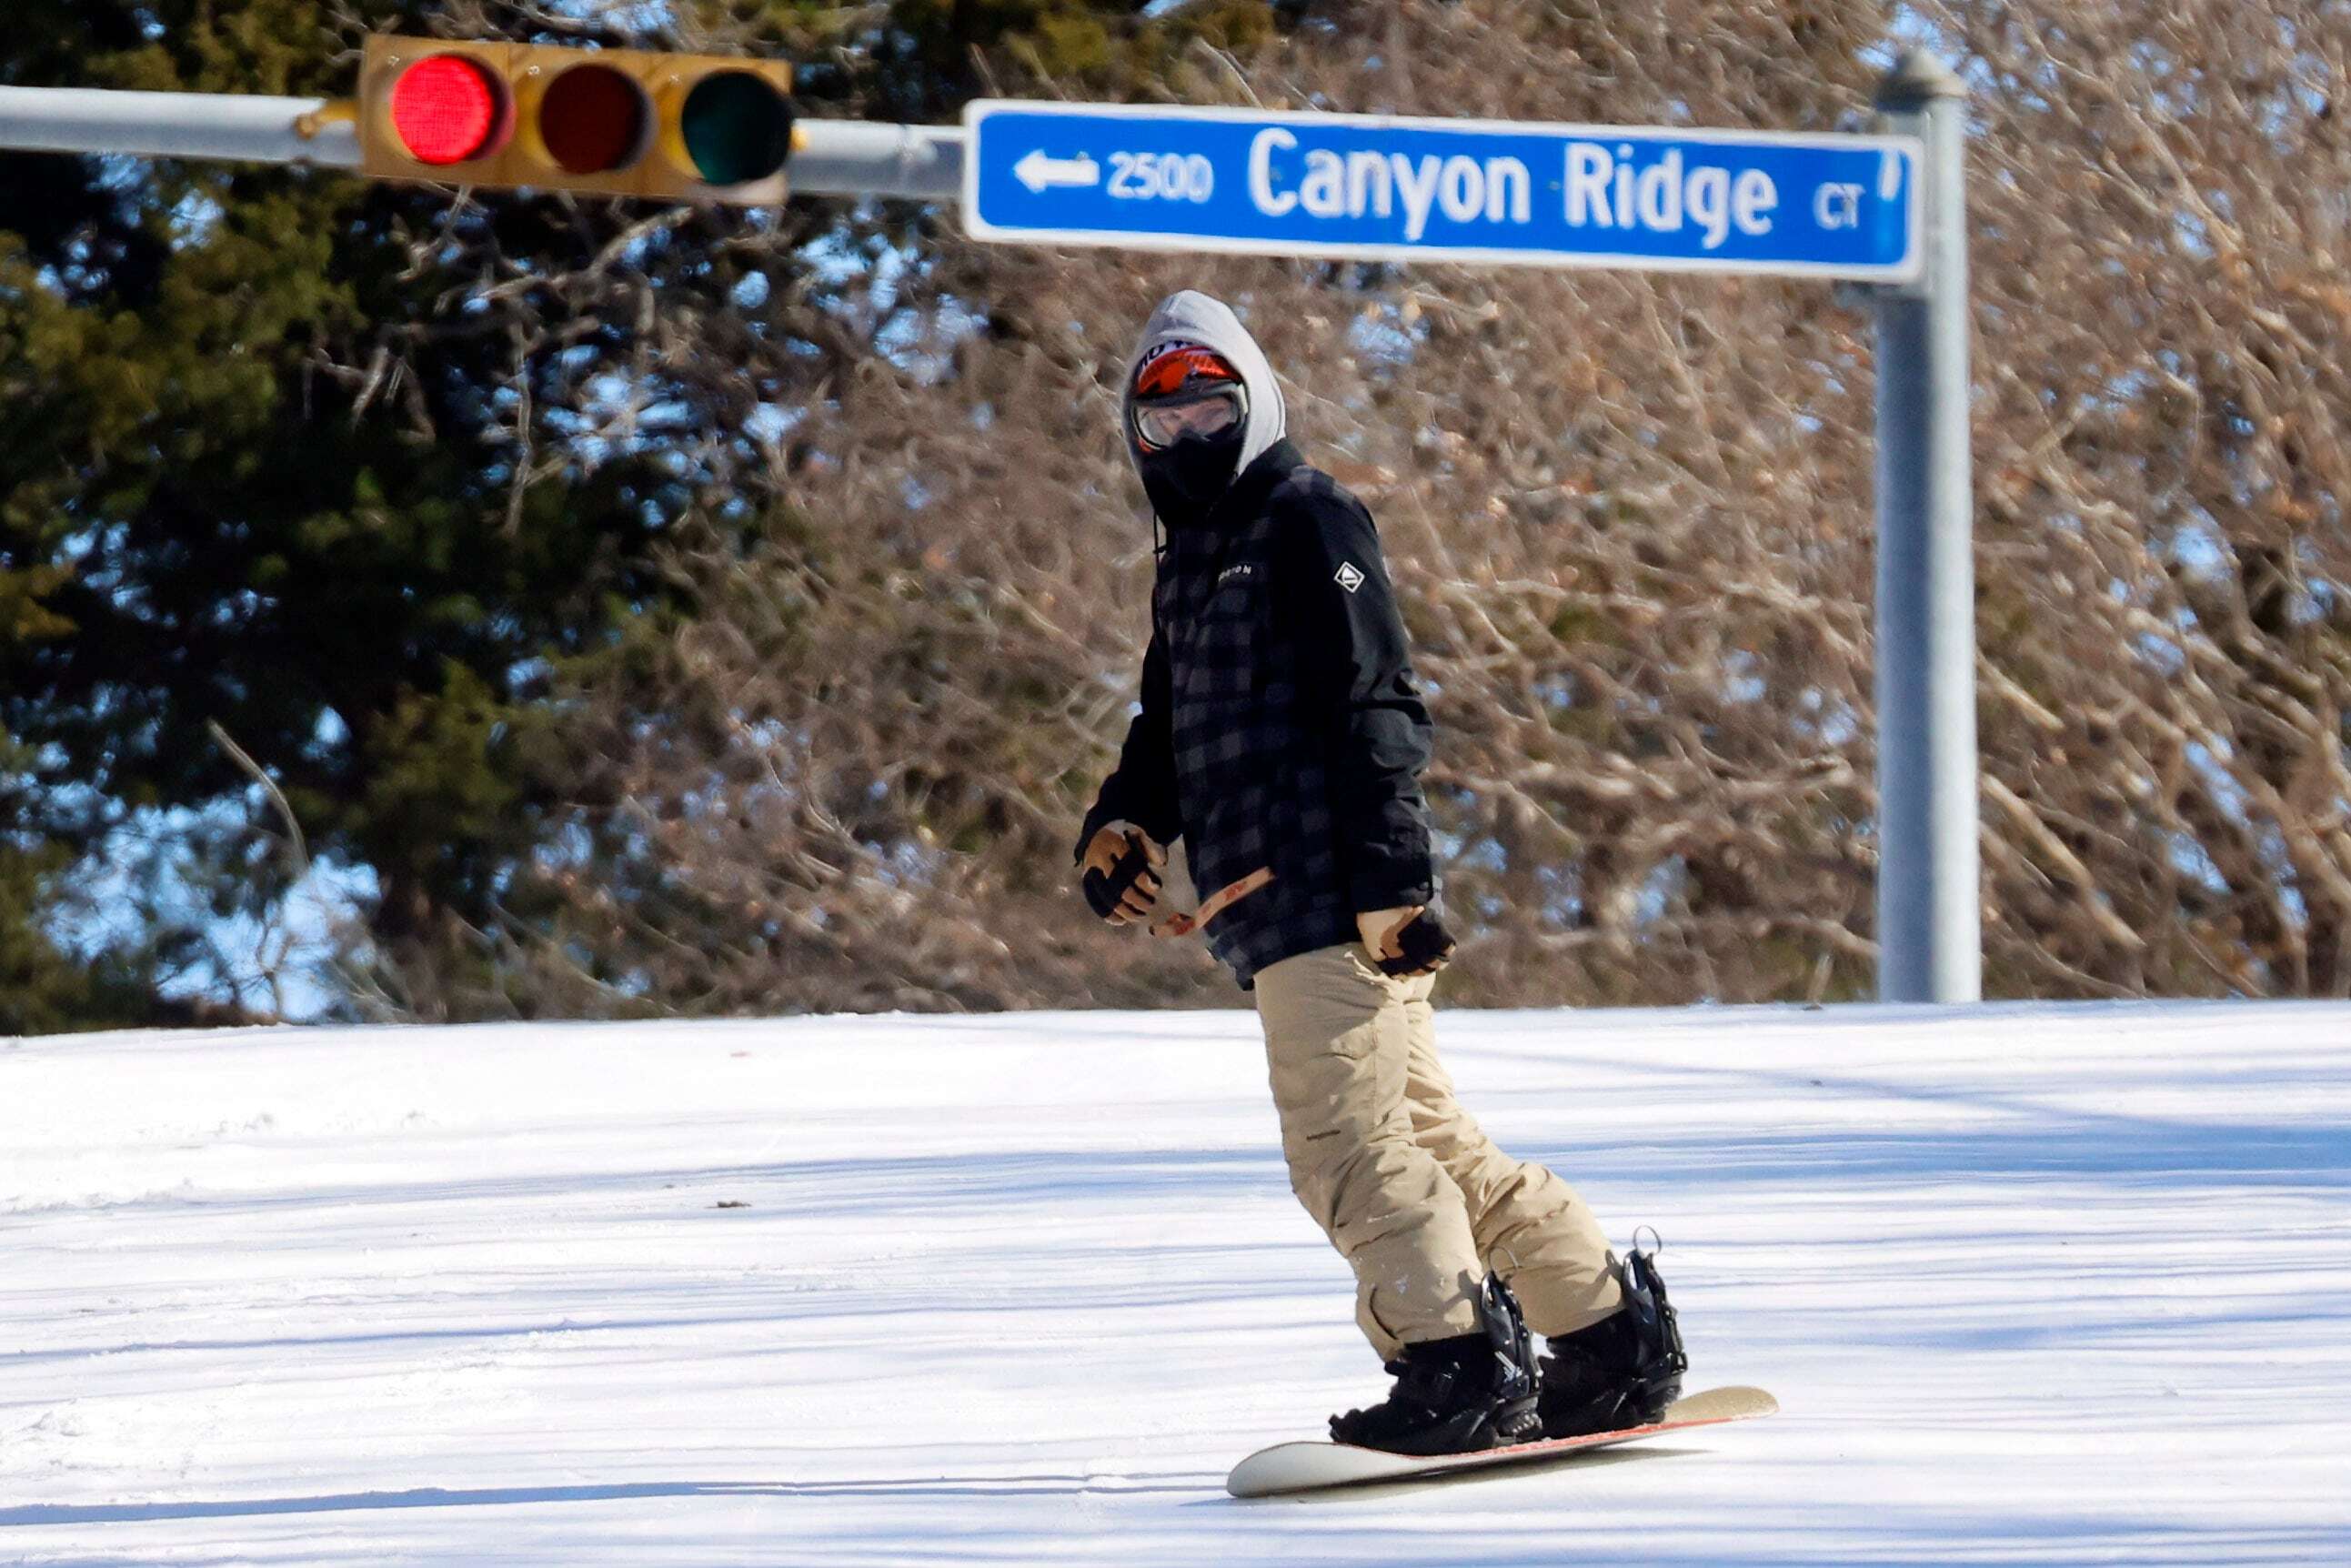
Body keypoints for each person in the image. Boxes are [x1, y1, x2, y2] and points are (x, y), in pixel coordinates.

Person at [1073, 289, 1688, 1455]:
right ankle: (1607, 1337)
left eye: (1214, 409)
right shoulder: (1193, 557)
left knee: (1348, 1151)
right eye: (1166, 424)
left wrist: (1391, 883)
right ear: (1137, 436)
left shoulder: (1308, 517)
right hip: (1273, 902)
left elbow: (1378, 706)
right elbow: (1167, 723)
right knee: (1434, 1143)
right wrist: (1120, 822)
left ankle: (1452, 1367)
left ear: (1255, 405)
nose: (1193, 438)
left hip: (1324, 896)